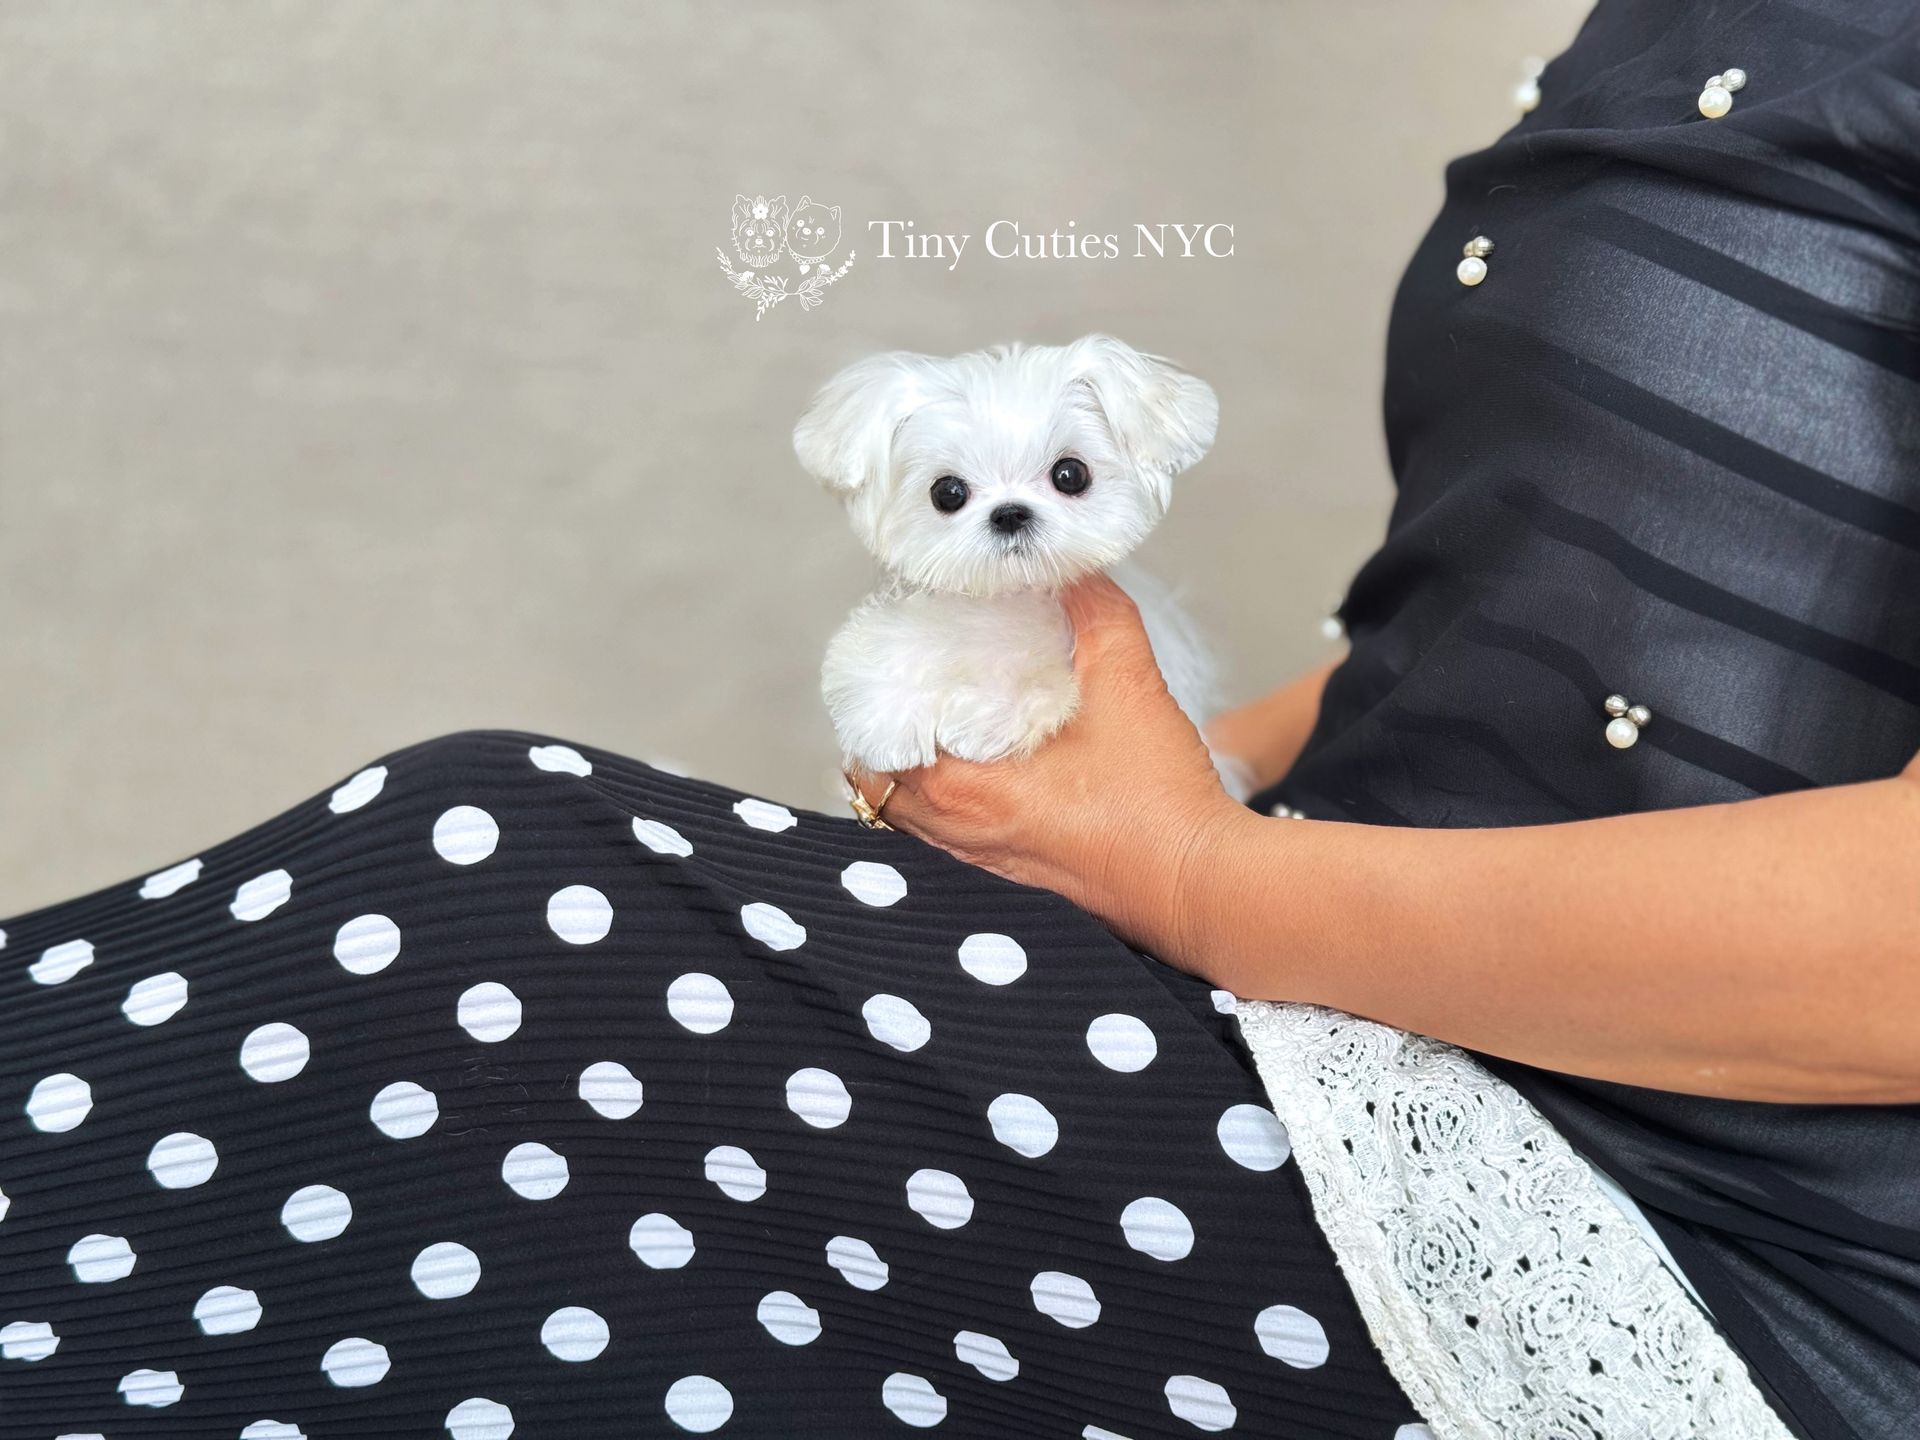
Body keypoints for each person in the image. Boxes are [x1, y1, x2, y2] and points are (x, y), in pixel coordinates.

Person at [4, 6, 1913, 1440]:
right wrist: (1157, 769)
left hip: (1703, 1220)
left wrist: (1193, 877)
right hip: (1348, 960)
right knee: (471, 923)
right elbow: (1557, 607)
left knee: (516, 917)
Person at [860, 3, 1920, 1435]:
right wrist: (1095, 774)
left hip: (1726, 1246)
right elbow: (1470, 641)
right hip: (1341, 984)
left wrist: (1191, 874)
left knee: (499, 874)